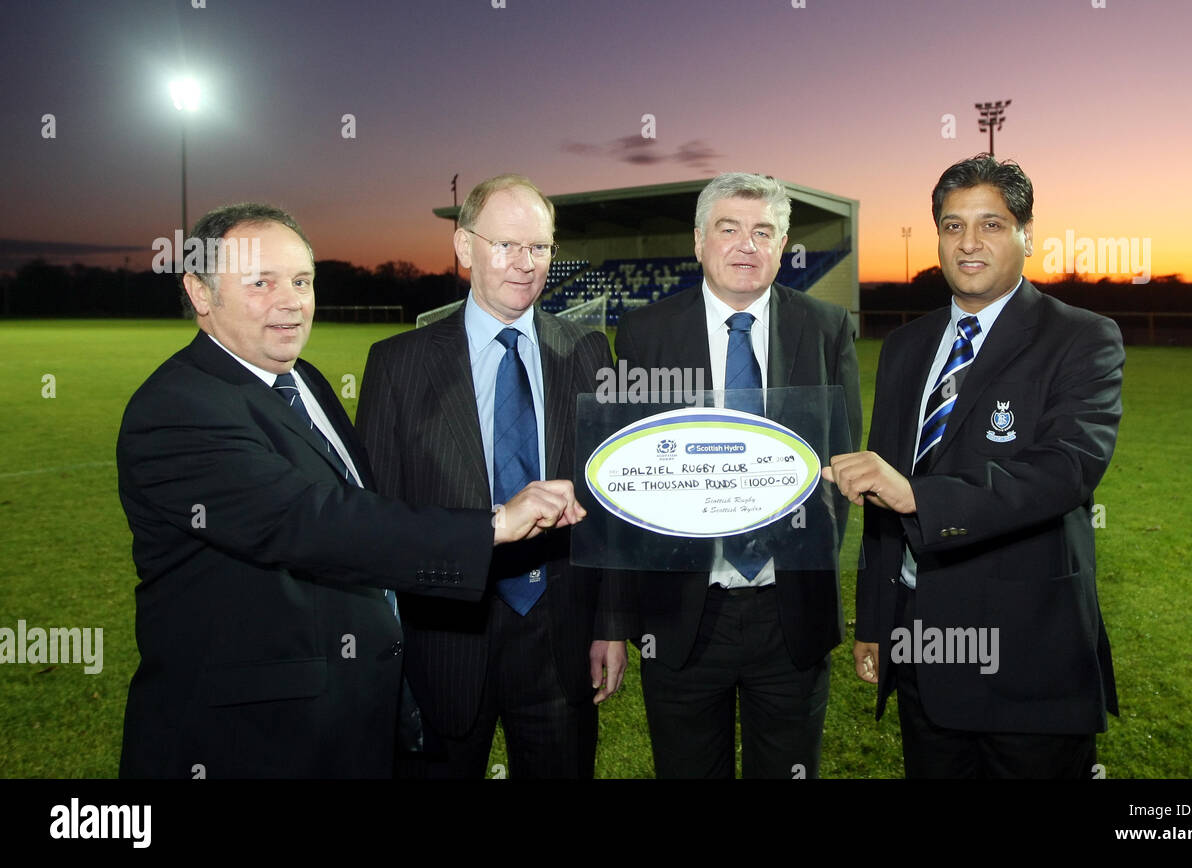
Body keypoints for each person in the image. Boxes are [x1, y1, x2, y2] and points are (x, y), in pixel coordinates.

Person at [117, 202, 582, 779]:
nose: (290, 301)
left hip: (344, 713)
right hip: (248, 734)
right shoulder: (177, 409)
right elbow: (311, 521)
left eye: (301, 280)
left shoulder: (302, 380)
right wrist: (492, 525)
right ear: (200, 291)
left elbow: (370, 506)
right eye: (260, 282)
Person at [824, 155, 1124, 778]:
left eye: (991, 224)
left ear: (1027, 236)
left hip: (1028, 654)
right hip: (921, 647)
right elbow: (882, 488)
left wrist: (919, 497)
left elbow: (1066, 470)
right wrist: (876, 622)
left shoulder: (1082, 337)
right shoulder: (907, 345)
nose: (968, 243)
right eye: (952, 225)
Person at [356, 175, 634, 778]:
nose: (525, 264)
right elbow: (375, 523)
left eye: (539, 247)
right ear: (463, 247)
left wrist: (610, 625)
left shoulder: (589, 351)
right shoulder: (396, 364)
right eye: (505, 245)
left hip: (560, 636)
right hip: (445, 640)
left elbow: (608, 502)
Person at [614, 172, 861, 778]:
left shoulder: (827, 329)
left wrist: (809, 550)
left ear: (782, 246)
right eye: (729, 229)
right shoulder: (645, 334)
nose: (746, 245)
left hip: (790, 611)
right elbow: (626, 484)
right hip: (681, 616)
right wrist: (617, 618)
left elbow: (841, 459)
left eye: (763, 232)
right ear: (699, 241)